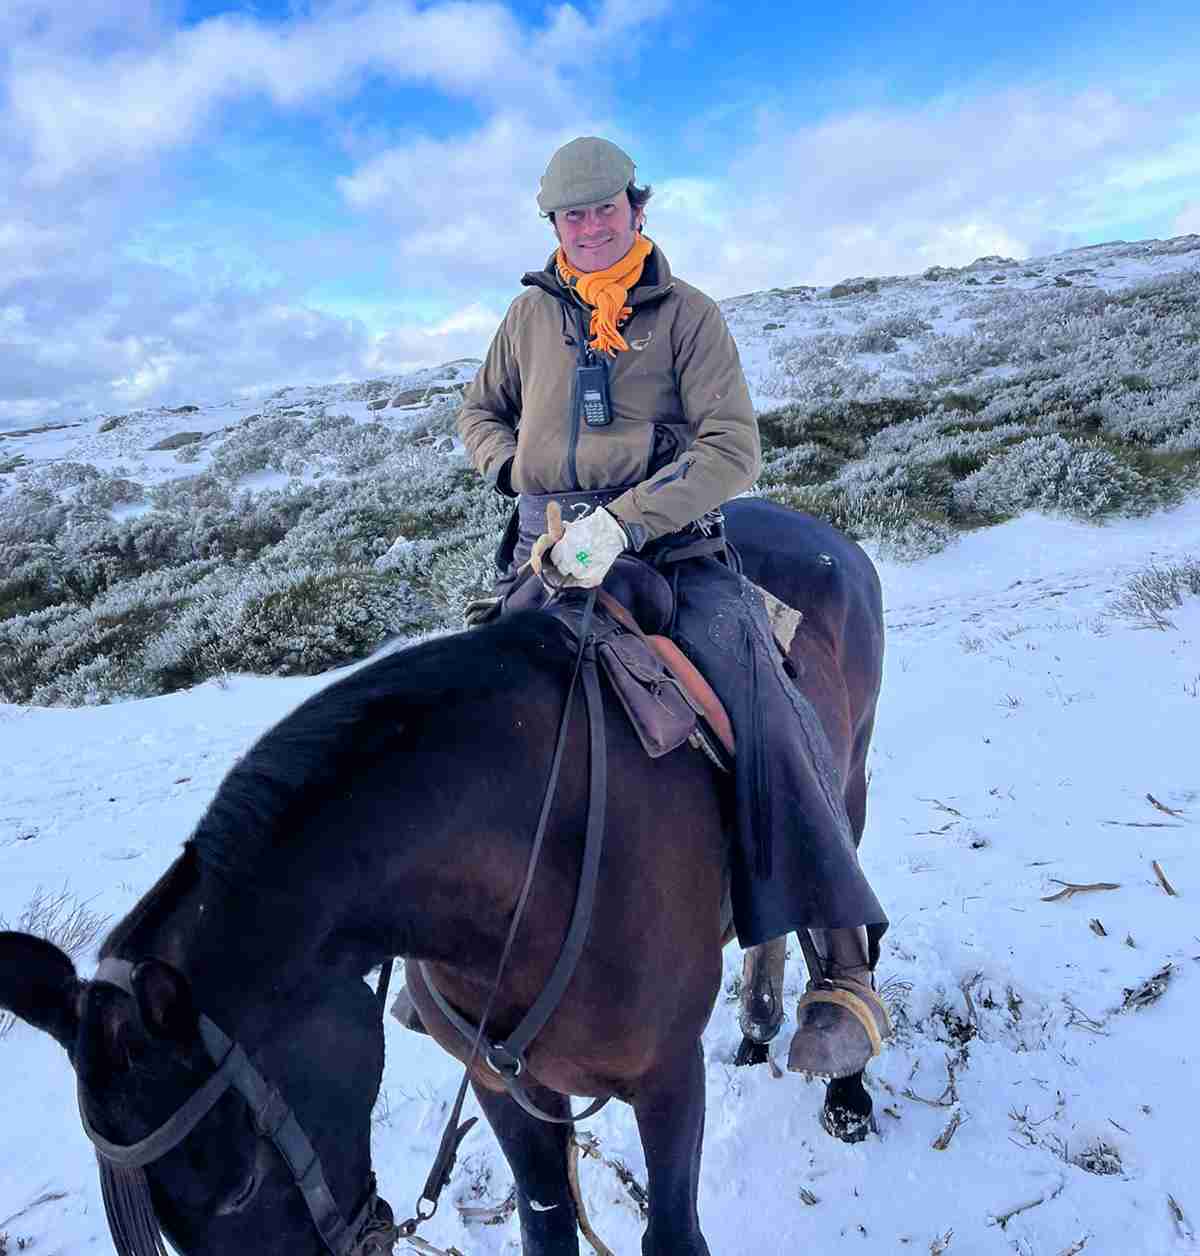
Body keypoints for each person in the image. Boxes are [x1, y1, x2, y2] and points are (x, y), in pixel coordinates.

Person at [457, 136, 889, 1078]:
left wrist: (623, 522)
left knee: (768, 706)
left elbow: (733, 451)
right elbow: (478, 411)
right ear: (555, 227)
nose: (592, 226)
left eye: (606, 209)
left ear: (637, 210)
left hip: (670, 552)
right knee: (468, 714)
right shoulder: (528, 315)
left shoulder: (689, 316)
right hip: (546, 551)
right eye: (574, 216)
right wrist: (508, 470)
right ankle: (453, 965)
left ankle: (841, 971)